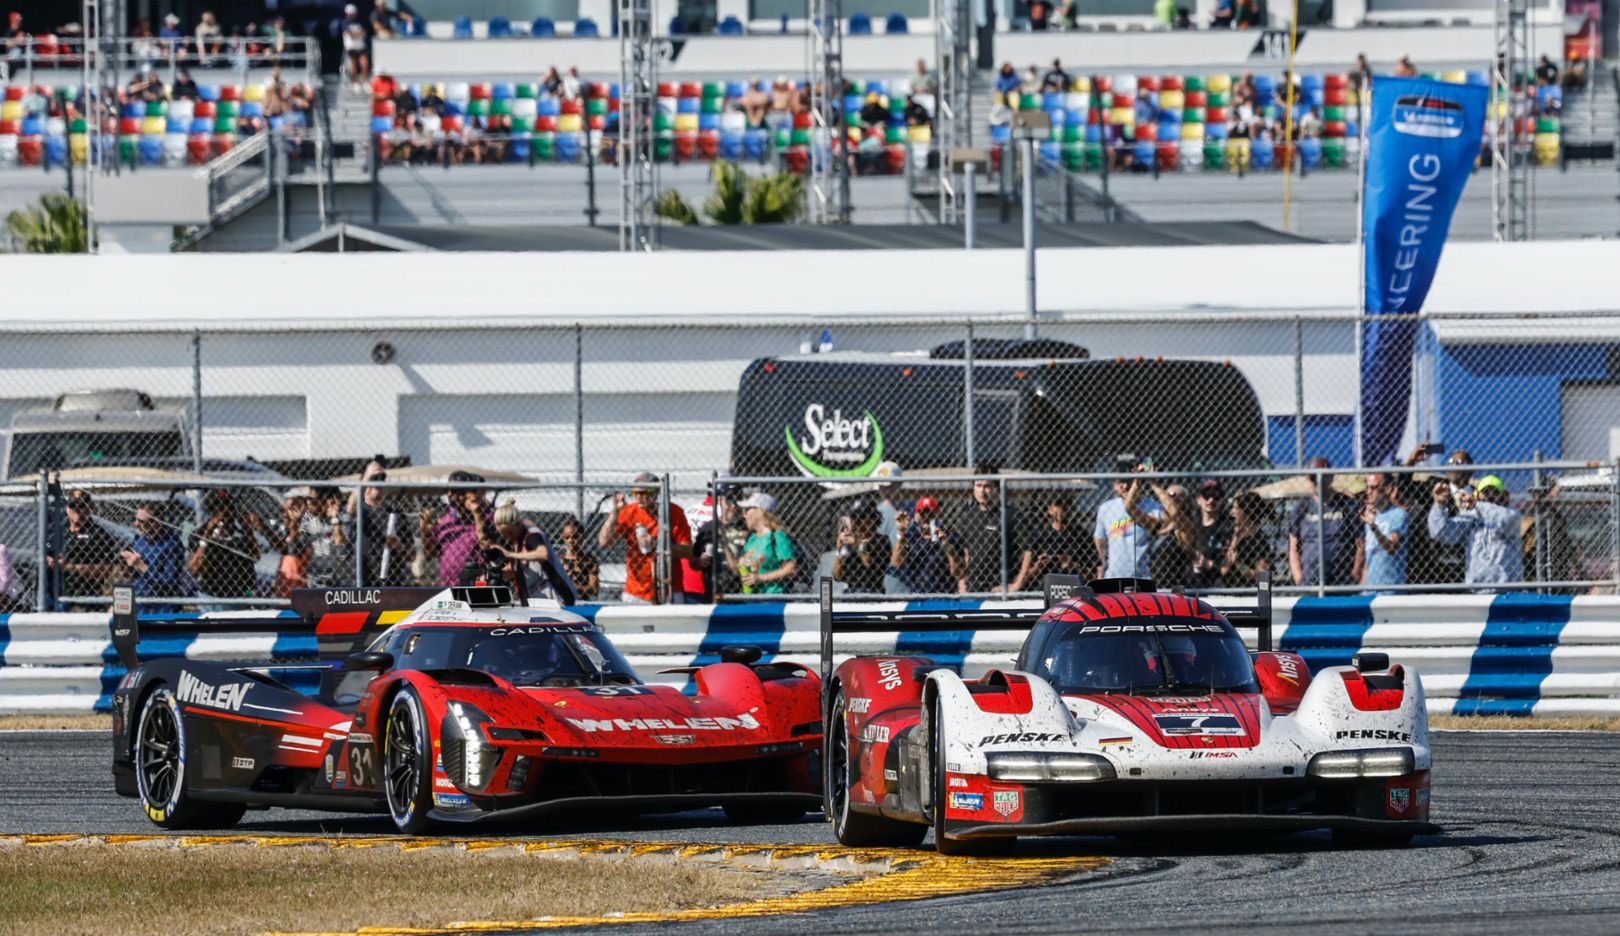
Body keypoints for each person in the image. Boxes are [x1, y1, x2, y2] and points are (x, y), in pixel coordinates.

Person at [598, 471, 692, 603]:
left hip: (668, 588)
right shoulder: (629, 512)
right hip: (636, 590)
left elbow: (688, 551)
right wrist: (614, 513)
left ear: (655, 493)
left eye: (644, 493)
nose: (639, 497)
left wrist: (658, 545)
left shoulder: (674, 512)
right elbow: (604, 542)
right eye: (636, 493)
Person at [1428, 476, 1523, 591]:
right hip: (1477, 590)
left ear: (1503, 497)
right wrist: (1439, 505)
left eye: (1495, 492)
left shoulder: (1511, 515)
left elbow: (1504, 522)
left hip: (1507, 589)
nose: (1489, 496)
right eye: (1485, 492)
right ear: (1477, 495)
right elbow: (1440, 533)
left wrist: (1478, 505)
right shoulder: (1470, 517)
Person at [1288, 457, 1360, 589]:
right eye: (1314, 479)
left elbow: (1361, 543)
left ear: (1331, 477)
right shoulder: (1301, 508)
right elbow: (1293, 547)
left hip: (1341, 582)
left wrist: (1355, 574)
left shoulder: (1347, 505)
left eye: (1324, 478)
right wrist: (1299, 577)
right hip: (1310, 582)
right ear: (1308, 480)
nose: (1319, 483)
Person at [1092, 459, 1167, 580]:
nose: (1125, 486)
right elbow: (1100, 541)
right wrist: (1103, 566)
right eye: (1120, 482)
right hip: (1113, 578)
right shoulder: (1106, 509)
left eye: (1128, 480)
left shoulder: (1153, 507)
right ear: (1114, 485)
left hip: (1142, 578)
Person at [420, 471, 497, 588]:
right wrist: (425, 532)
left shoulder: (486, 517)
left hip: (475, 586)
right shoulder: (445, 519)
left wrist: (476, 513)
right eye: (448, 490)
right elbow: (430, 554)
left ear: (468, 492)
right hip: (447, 586)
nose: (450, 494)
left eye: (455, 490)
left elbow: (487, 548)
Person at [492, 499, 576, 602]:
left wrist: (511, 554)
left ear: (517, 524)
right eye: (504, 534)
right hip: (535, 598)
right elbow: (523, 562)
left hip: (555, 597)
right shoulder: (518, 535)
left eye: (510, 532)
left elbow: (542, 554)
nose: (508, 537)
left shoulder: (532, 536)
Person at [190, 490, 263, 605]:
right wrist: (206, 537)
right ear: (213, 513)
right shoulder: (200, 534)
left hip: (240, 596)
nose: (224, 515)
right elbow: (193, 569)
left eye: (230, 509)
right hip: (211, 596)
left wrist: (248, 530)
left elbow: (255, 557)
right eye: (219, 511)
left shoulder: (241, 534)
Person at [51, 491, 120, 610]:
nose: (78, 510)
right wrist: (48, 558)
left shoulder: (99, 535)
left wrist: (71, 567)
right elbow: (47, 547)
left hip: (85, 598)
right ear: (68, 508)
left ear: (90, 508)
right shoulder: (59, 532)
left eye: (82, 506)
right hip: (56, 595)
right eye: (73, 506)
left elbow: (106, 570)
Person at [348, 460, 413, 586]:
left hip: (391, 581)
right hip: (362, 579)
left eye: (381, 479)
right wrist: (367, 477)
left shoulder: (395, 514)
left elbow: (412, 555)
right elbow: (350, 508)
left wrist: (399, 546)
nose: (379, 483)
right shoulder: (361, 510)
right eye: (374, 479)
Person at [959, 472, 1025, 593]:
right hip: (973, 589)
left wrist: (1017, 584)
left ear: (996, 488)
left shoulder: (1010, 515)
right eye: (978, 485)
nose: (982, 491)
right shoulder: (968, 516)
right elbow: (966, 551)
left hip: (999, 589)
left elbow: (1028, 550)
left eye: (987, 486)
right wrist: (962, 580)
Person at [119, 505, 191, 614]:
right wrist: (126, 566)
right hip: (139, 601)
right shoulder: (139, 539)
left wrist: (141, 566)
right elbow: (130, 574)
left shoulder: (172, 544)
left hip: (163, 605)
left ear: (156, 524)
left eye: (141, 522)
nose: (136, 524)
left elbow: (168, 582)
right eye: (136, 519)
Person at [890, 496, 961, 594]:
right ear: (915, 515)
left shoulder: (949, 536)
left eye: (930, 514)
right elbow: (896, 563)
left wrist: (947, 547)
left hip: (945, 595)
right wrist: (901, 533)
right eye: (922, 513)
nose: (926, 517)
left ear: (938, 515)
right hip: (917, 596)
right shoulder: (911, 538)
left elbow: (958, 573)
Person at [730, 492, 796, 595]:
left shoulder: (777, 536)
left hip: (773, 599)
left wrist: (760, 578)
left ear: (760, 511)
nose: (744, 515)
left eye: (747, 510)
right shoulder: (752, 538)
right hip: (751, 600)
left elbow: (790, 569)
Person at [691, 483, 747, 601]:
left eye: (738, 501)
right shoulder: (708, 528)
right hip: (712, 590)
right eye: (730, 501)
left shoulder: (747, 529)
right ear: (720, 501)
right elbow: (693, 563)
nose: (733, 506)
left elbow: (740, 569)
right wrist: (701, 560)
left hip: (739, 592)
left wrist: (725, 542)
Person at [1356, 472, 1408, 595]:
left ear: (1388, 489)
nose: (1368, 492)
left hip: (1391, 592)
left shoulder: (1399, 514)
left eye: (1373, 487)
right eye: (1367, 487)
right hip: (1370, 592)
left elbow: (1390, 547)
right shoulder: (1371, 517)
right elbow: (1368, 560)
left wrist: (1374, 527)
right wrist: (1363, 590)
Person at [1022, 493, 1093, 583]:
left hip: (1074, 588)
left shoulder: (1081, 534)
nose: (1061, 509)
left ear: (1072, 509)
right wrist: (1038, 566)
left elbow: (1093, 574)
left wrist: (1073, 566)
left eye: (1065, 505)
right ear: (1050, 510)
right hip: (1044, 588)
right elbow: (1024, 576)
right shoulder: (1038, 534)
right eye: (1057, 505)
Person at [1148, 484, 1200, 590]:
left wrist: (1153, 483)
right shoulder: (1157, 523)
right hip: (1150, 585)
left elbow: (1175, 512)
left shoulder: (1186, 527)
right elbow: (1130, 509)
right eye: (1169, 495)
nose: (1171, 498)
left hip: (1173, 589)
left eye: (1176, 495)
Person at [833, 499, 888, 594]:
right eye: (854, 516)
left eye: (862, 516)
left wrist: (857, 544)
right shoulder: (849, 542)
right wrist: (839, 552)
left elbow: (870, 567)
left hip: (873, 592)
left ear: (873, 518)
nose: (857, 520)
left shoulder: (881, 540)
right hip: (850, 592)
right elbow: (837, 576)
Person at [1221, 491, 1272, 586]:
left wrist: (1239, 565)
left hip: (1245, 591)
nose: (1231, 512)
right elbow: (1223, 570)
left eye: (1236, 508)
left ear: (1247, 511)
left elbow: (1261, 577)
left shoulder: (1258, 540)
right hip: (1223, 587)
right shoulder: (1229, 534)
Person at [1192, 479, 1233, 588]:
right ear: (1198, 499)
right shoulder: (1191, 526)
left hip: (1219, 585)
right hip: (1192, 583)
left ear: (1222, 500)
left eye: (1216, 496)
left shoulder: (1228, 528)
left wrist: (1209, 564)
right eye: (1206, 495)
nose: (1211, 500)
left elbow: (1229, 563)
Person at [557, 518, 600, 601]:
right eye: (567, 537)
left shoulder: (589, 561)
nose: (571, 540)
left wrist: (571, 587)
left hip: (582, 603)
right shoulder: (559, 560)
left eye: (575, 537)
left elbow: (593, 589)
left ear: (582, 537)